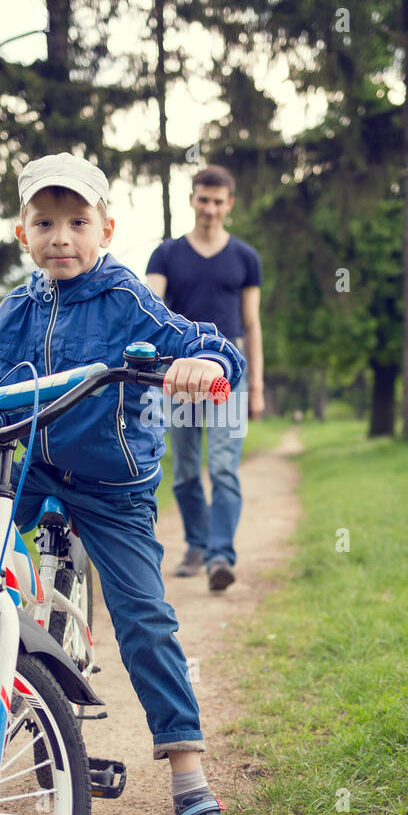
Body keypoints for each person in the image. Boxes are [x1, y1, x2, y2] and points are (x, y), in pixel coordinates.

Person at [0, 152, 246, 815]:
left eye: (78, 221)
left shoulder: (125, 297)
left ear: (106, 227)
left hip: (112, 489)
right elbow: (7, 382)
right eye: (45, 223)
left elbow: (210, 344)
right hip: (35, 468)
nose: (62, 237)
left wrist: (206, 364)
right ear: (23, 234)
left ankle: (190, 779)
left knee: (144, 618)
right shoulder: (18, 307)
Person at [145, 166, 264, 591]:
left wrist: (258, 386)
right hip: (180, 375)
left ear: (229, 204)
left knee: (224, 468)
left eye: (218, 201)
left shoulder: (245, 258)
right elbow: (151, 309)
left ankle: (220, 557)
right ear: (192, 200)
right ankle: (196, 544)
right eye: (203, 199)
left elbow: (252, 325)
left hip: (231, 376)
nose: (210, 209)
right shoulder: (167, 255)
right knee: (186, 472)